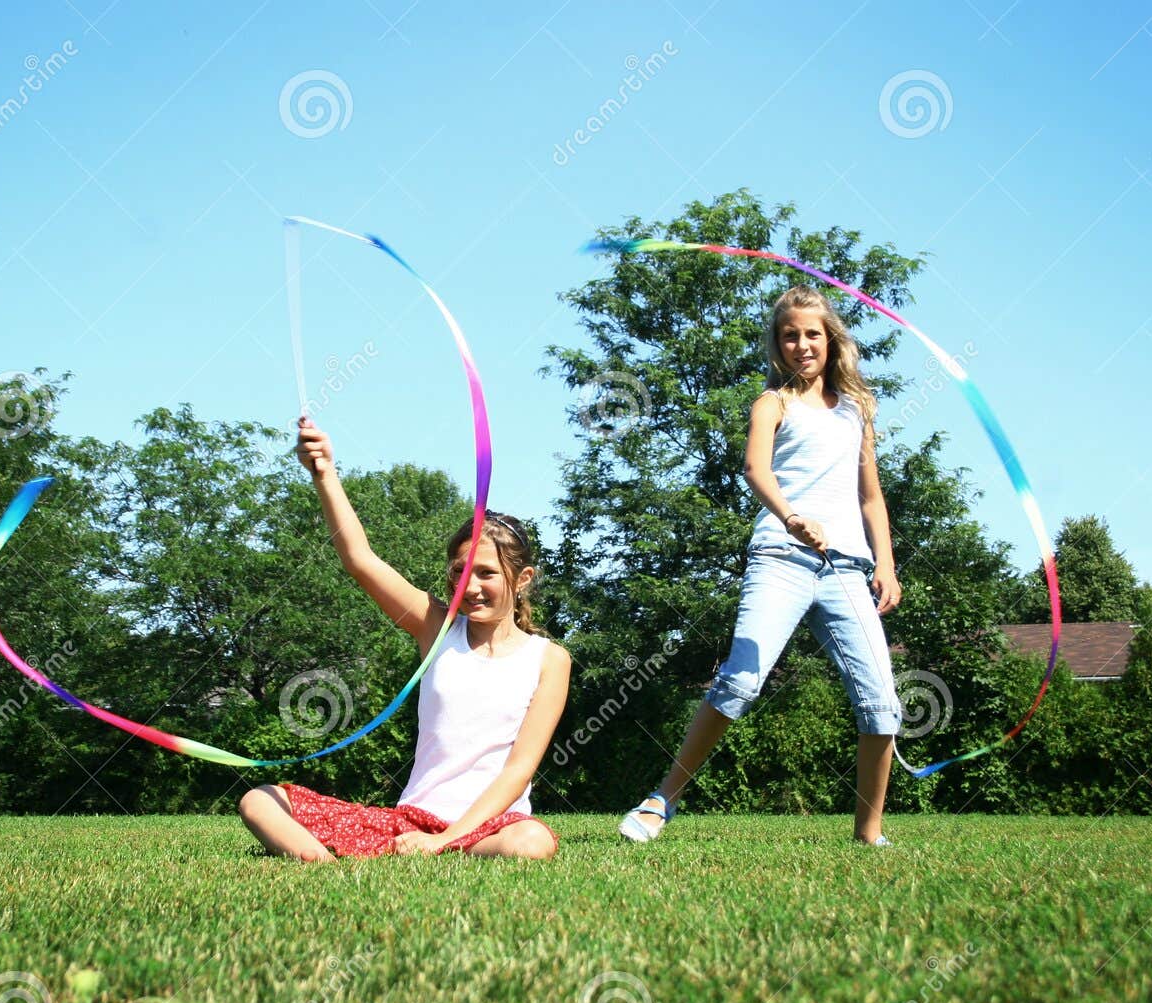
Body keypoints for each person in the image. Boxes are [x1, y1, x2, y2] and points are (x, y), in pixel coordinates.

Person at [619, 286, 903, 846]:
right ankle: (662, 799)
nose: (802, 344)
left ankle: (868, 834)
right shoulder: (771, 404)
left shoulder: (857, 411)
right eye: (790, 335)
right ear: (778, 343)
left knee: (882, 705)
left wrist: (886, 565)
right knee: (740, 682)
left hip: (847, 569)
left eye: (812, 334)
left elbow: (871, 496)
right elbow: (756, 470)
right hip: (783, 556)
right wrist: (793, 518)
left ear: (831, 340)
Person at [239, 417, 571, 860]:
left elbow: (518, 770)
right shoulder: (436, 627)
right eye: (459, 573)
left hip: (492, 827)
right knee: (260, 799)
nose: (470, 587)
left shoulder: (548, 659)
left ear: (523, 578)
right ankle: (318, 862)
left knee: (533, 842)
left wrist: (444, 841)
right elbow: (360, 559)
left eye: (486, 573)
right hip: (411, 823)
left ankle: (444, 851)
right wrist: (325, 475)